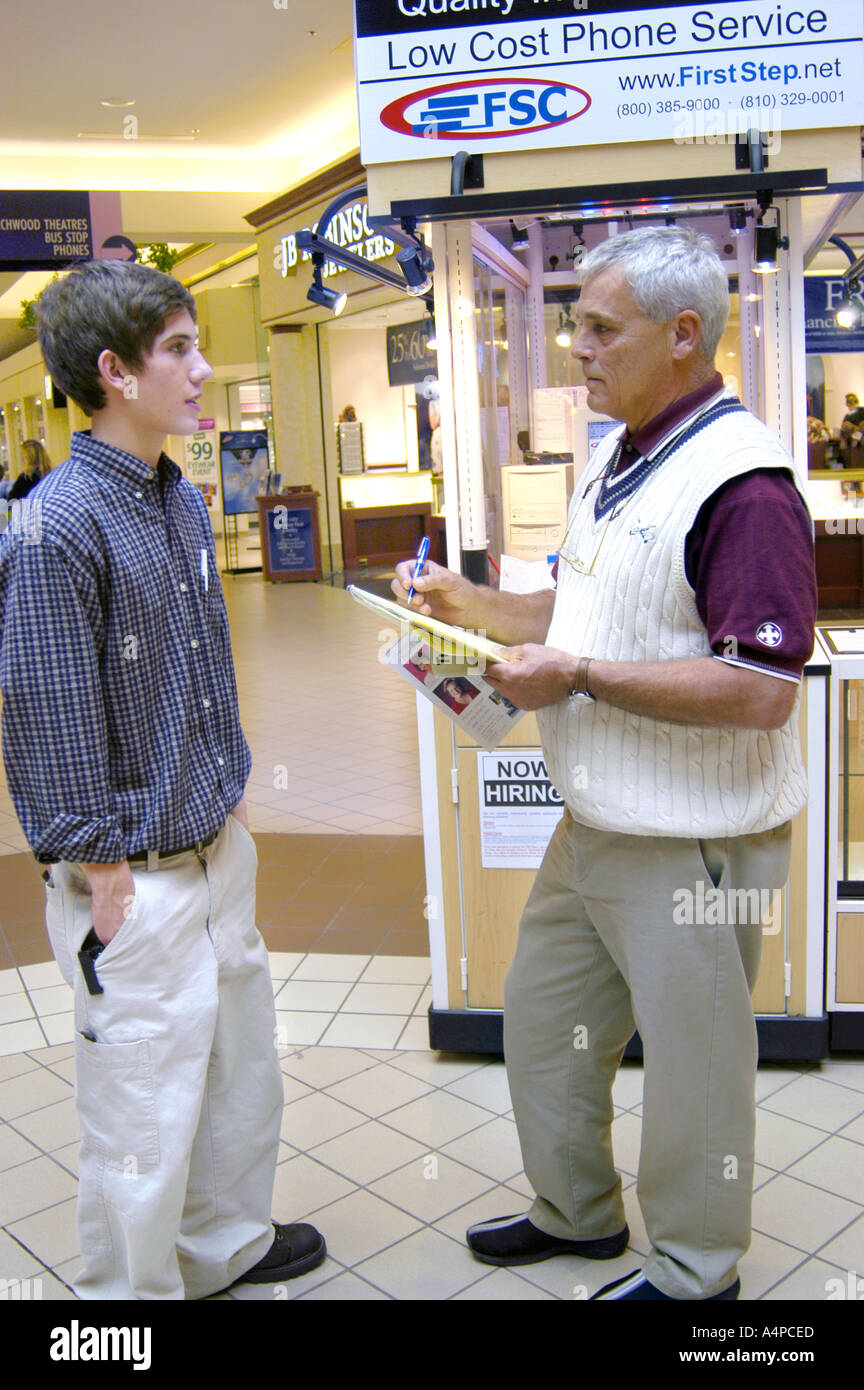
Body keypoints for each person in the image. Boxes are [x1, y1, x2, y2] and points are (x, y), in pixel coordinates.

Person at [393, 225, 816, 1302]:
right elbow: (577, 607)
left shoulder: (746, 484)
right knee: (539, 1025)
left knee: (696, 1071)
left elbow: (761, 689)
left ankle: (695, 1266)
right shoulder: (620, 459)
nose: (573, 350)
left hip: (695, 845)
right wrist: (474, 609)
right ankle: (577, 1215)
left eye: (596, 328)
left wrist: (576, 674)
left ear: (683, 335)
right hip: (596, 830)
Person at [0, 259, 325, 1300]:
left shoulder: (176, 500)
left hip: (212, 852)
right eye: (179, 349)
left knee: (238, 1078)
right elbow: (49, 714)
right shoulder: (58, 525)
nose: (203, 368)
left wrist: (228, 789)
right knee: (139, 1114)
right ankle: (125, 1310)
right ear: (114, 371)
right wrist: (98, 868)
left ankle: (223, 1247)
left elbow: (200, 663)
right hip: (130, 880)